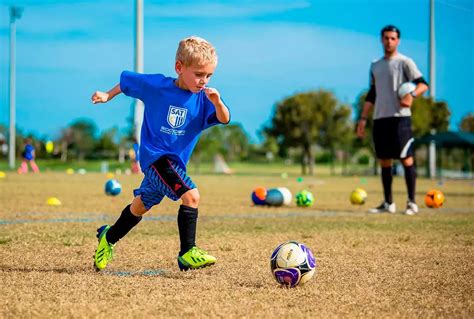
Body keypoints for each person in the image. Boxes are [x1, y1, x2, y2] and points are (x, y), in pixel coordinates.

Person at [91, 36, 230, 271]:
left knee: (140, 206)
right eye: (198, 74)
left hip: (174, 164)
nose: (203, 81)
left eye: (208, 76)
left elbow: (224, 118)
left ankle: (109, 236)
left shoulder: (205, 99)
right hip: (155, 158)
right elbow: (127, 83)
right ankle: (188, 252)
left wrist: (217, 102)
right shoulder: (158, 86)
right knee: (192, 196)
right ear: (179, 68)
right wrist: (107, 95)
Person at [356, 25, 429, 215]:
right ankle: (389, 203)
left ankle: (412, 202)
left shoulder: (405, 62)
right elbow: (372, 94)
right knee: (384, 161)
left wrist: (412, 94)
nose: (389, 41)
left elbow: (423, 84)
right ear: (381, 40)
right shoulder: (375, 65)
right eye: (386, 38)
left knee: (406, 159)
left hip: (400, 119)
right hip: (380, 118)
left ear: (398, 40)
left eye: (393, 38)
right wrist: (363, 118)